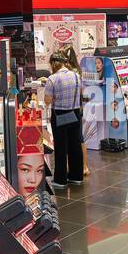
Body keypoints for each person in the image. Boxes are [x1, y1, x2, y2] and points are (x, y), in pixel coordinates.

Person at [43, 51, 85, 189]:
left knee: (61, 147)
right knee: (75, 145)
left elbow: (47, 100)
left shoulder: (52, 79)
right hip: (75, 113)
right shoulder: (76, 76)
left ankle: (60, 180)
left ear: (53, 63)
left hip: (59, 114)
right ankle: (76, 176)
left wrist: (55, 96)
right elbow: (81, 93)